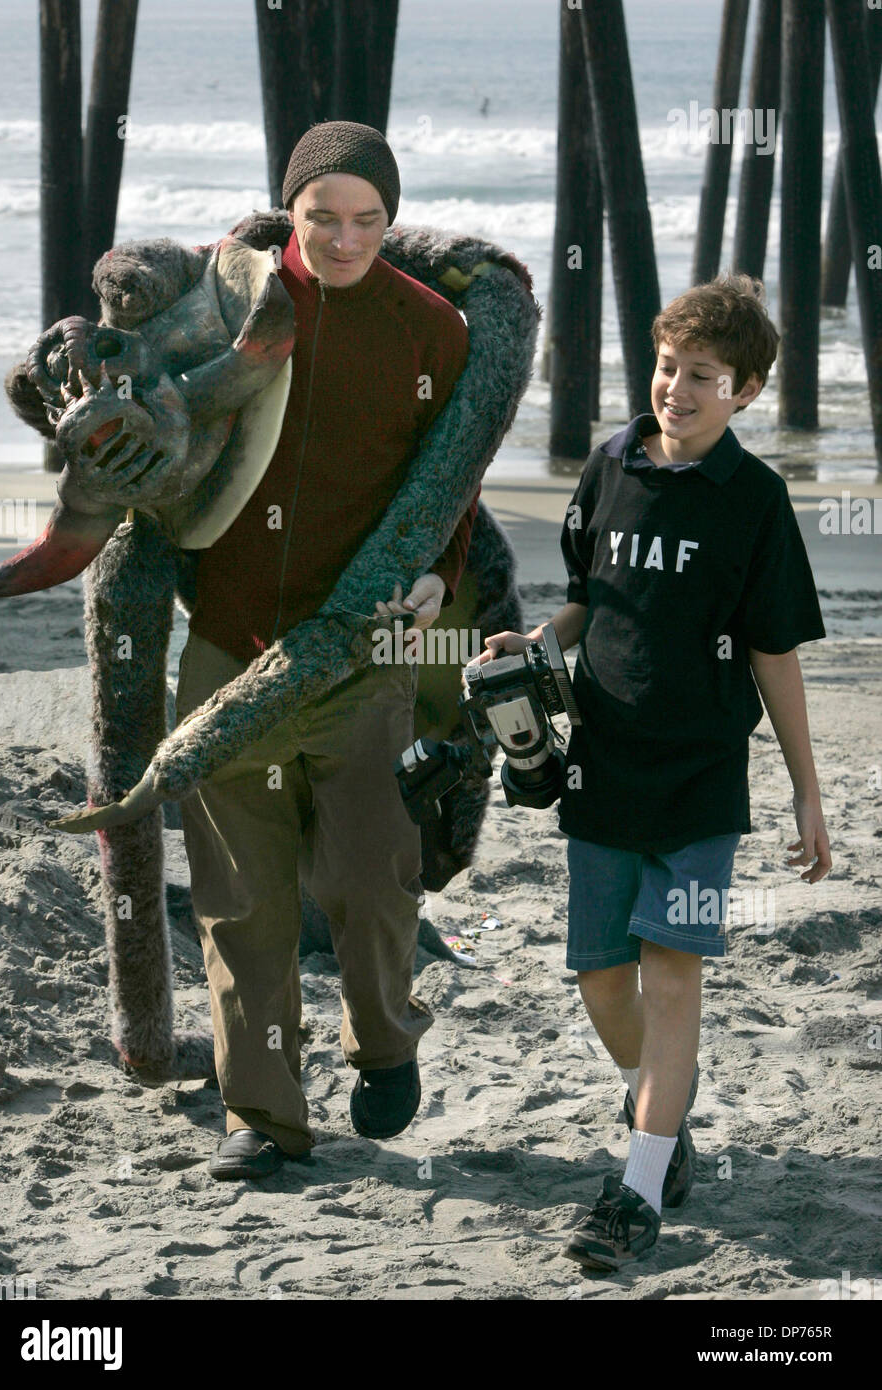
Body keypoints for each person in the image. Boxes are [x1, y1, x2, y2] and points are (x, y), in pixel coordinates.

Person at [478, 273, 831, 1269]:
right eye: (668, 367)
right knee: (598, 973)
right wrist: (529, 647)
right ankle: (661, 1119)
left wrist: (806, 789)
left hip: (699, 778)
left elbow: (772, 653)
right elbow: (590, 602)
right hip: (600, 764)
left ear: (745, 391)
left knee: (672, 974)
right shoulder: (608, 465)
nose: (675, 390)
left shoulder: (755, 503)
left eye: (702, 377)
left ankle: (634, 1188)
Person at [176, 121, 477, 1180]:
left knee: (369, 879)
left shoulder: (432, 331)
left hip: (362, 654)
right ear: (288, 212)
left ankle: (384, 1039)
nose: (344, 241)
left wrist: (441, 568)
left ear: (388, 222)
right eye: (322, 219)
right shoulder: (228, 305)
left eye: (367, 221)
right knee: (241, 900)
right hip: (227, 647)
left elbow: (452, 480)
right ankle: (262, 1113)